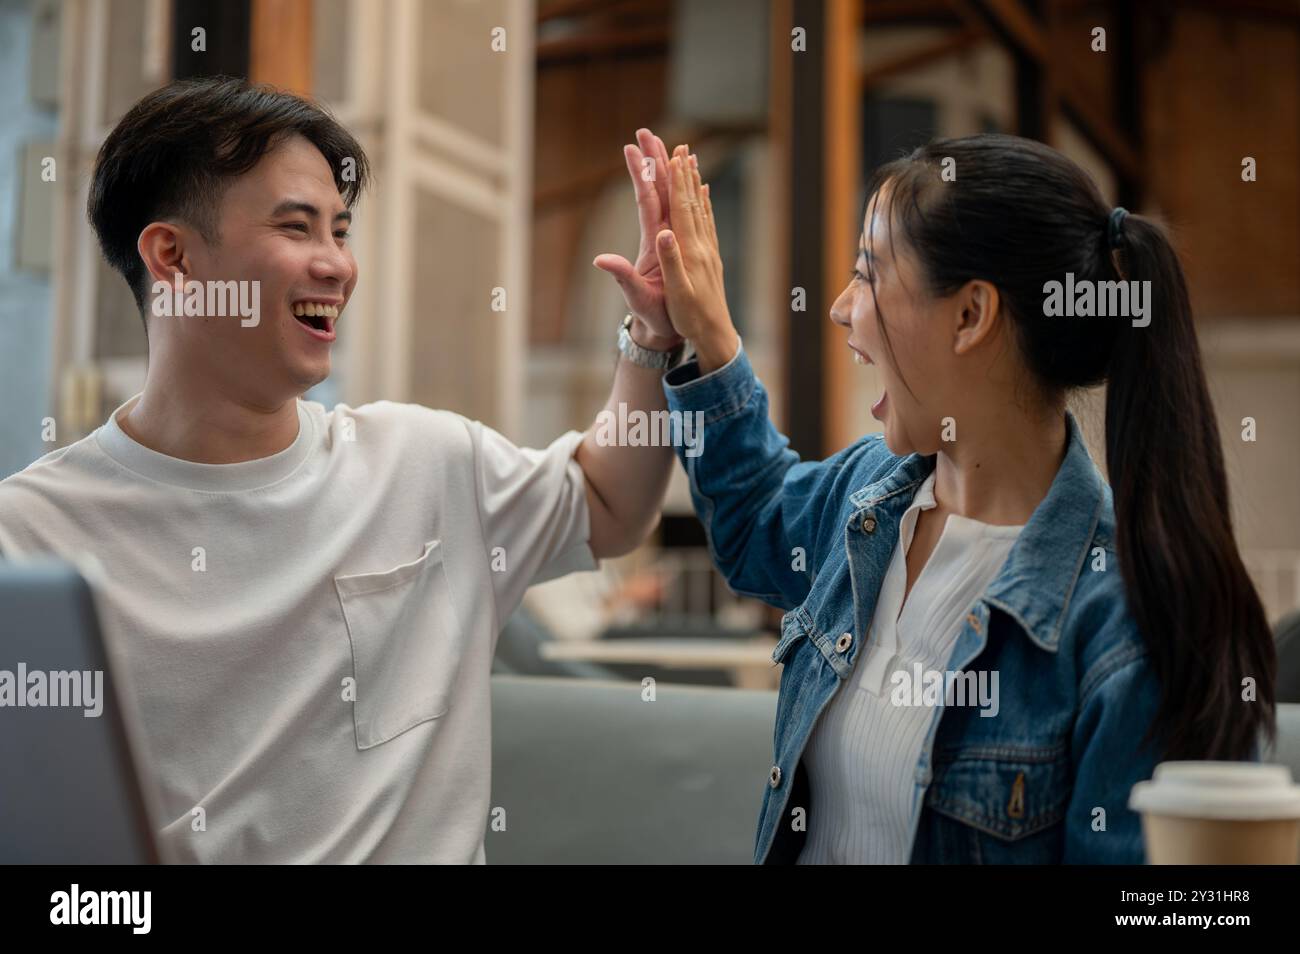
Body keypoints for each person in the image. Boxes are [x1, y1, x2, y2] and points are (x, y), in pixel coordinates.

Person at [0, 78, 690, 863]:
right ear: (174, 258)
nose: (338, 266)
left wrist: (650, 337)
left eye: (341, 230)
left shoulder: (426, 462)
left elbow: (608, 502)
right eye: (298, 229)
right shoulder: (27, 538)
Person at [652, 132, 1277, 863]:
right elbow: (758, 519)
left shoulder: (1122, 624)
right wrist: (706, 337)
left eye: (869, 273)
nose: (841, 307)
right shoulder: (870, 499)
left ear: (971, 316)